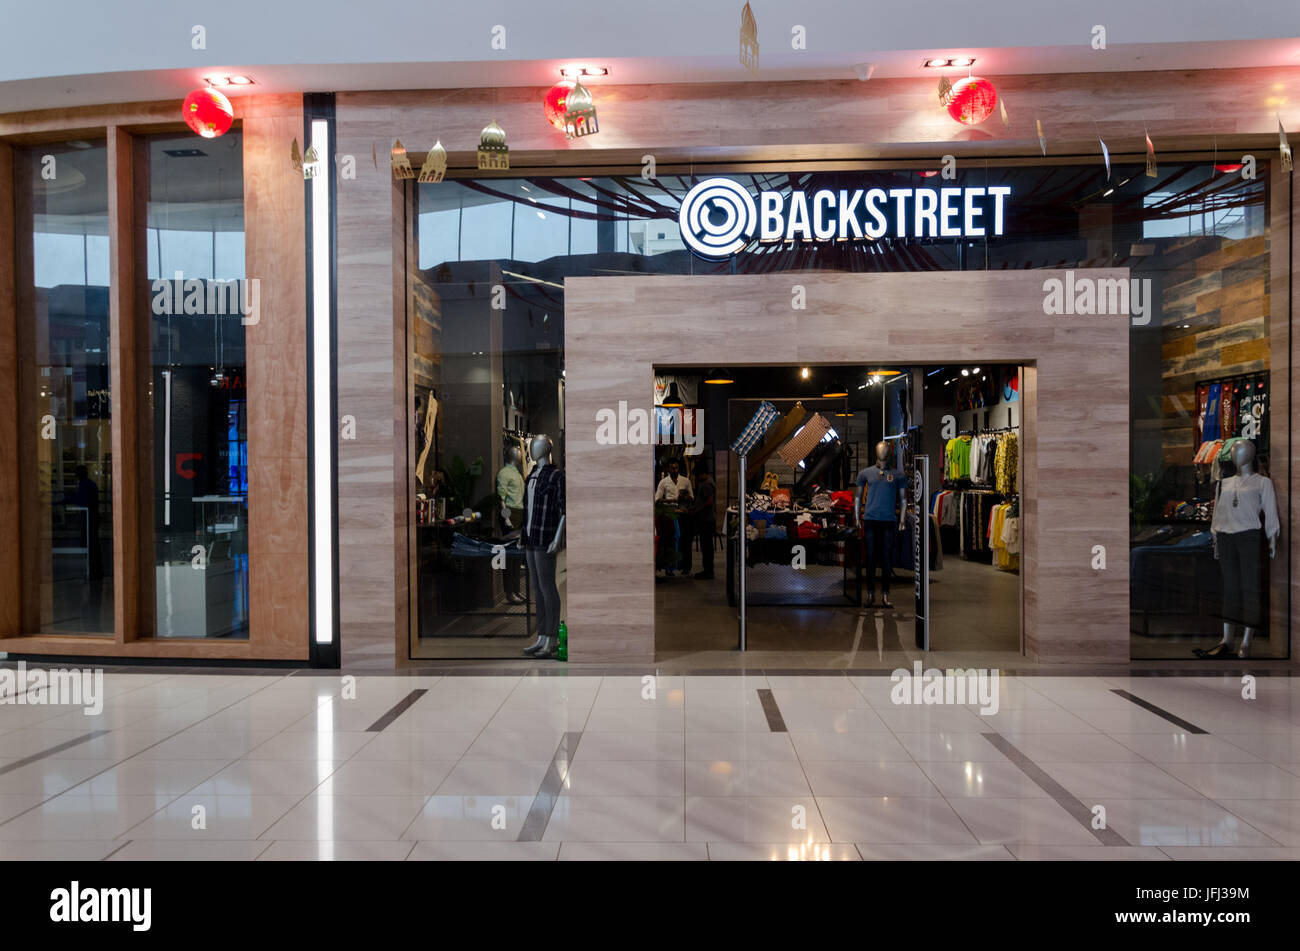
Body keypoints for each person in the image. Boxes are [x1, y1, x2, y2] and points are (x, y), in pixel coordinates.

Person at [654, 458, 692, 575]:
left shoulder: (685, 481)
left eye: (676, 468)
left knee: (685, 542)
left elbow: (692, 497)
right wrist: (670, 500)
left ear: (678, 468)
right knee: (670, 542)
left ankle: (685, 566)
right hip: (669, 515)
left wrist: (684, 498)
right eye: (672, 468)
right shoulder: (663, 482)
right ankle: (669, 568)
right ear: (668, 469)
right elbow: (657, 499)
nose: (674, 470)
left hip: (683, 514)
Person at [684, 460, 717, 579]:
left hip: (706, 520)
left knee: (707, 547)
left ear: (703, 473)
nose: (696, 478)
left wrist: (695, 511)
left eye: (697, 475)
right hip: (705, 519)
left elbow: (709, 502)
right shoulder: (706, 482)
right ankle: (708, 570)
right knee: (706, 546)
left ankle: (708, 571)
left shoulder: (707, 484)